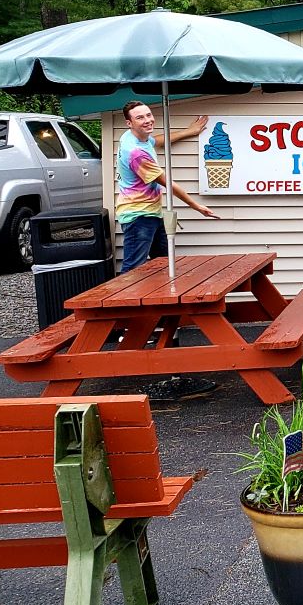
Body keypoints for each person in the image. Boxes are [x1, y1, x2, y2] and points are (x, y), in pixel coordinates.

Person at [116, 101, 220, 401]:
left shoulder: (137, 138)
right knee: (133, 271)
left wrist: (189, 131)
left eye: (149, 115)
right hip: (138, 216)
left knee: (163, 262)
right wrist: (197, 206)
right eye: (140, 117)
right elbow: (167, 182)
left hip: (151, 212)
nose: (147, 120)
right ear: (128, 123)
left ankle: (162, 318)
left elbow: (156, 140)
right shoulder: (133, 152)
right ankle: (128, 329)